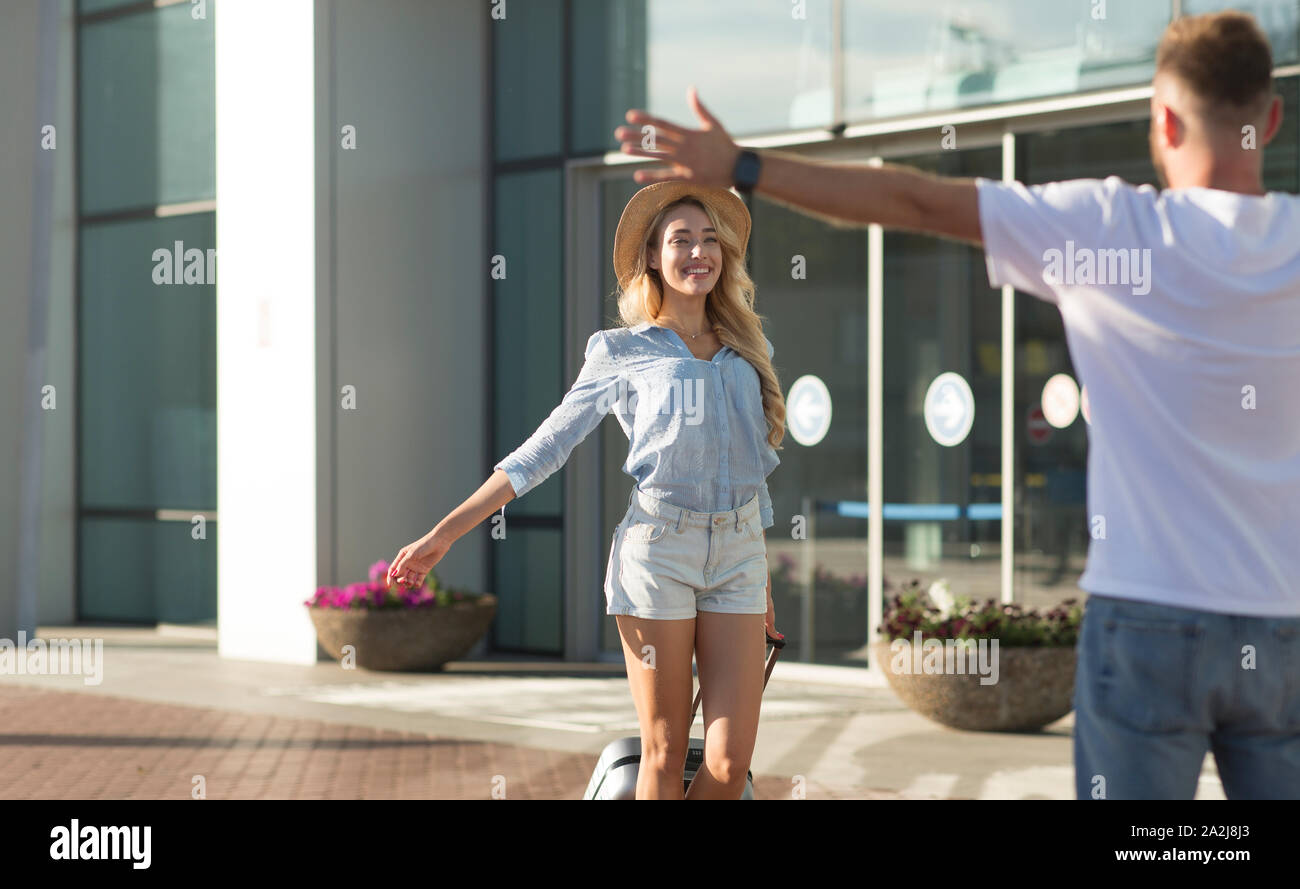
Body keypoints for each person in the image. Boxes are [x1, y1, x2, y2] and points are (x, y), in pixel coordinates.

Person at [611, 9, 1300, 800]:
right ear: (1271, 119)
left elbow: (916, 201)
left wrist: (746, 164)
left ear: (1163, 119)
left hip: (1146, 619)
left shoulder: (1111, 226)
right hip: (1283, 620)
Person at [386, 182, 787, 799]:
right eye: (682, 240)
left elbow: (751, 474)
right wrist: (444, 534)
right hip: (660, 555)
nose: (699, 252)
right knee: (664, 749)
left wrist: (759, 581)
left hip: (738, 557)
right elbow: (545, 449)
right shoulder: (622, 352)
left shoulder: (743, 351)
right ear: (652, 256)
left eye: (711, 240)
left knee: (731, 763)